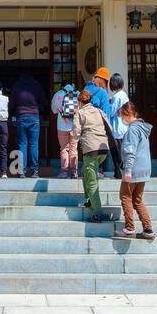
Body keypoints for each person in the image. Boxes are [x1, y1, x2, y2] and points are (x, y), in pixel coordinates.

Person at [116, 100, 155, 240]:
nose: (122, 120)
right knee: (137, 200)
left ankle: (129, 228)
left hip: (133, 170)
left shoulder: (132, 130)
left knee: (125, 196)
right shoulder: (143, 129)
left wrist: (127, 170)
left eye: (122, 117)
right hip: (144, 170)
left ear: (128, 114)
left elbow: (130, 151)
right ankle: (148, 229)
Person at [71, 88, 110, 223]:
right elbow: (108, 125)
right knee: (86, 172)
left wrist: (74, 145)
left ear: (80, 102)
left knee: (92, 181)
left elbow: (75, 132)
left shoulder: (80, 113)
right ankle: (89, 200)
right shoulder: (99, 111)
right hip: (104, 149)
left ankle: (97, 212)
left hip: (91, 149)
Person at [9, 71, 46, 178]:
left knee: (22, 144)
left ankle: (22, 171)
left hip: (21, 115)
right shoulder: (36, 84)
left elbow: (12, 103)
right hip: (34, 116)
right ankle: (35, 171)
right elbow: (43, 101)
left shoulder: (16, 85)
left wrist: (13, 113)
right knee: (34, 144)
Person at [50, 82, 79, 179]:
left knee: (64, 148)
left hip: (62, 126)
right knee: (73, 149)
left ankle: (64, 172)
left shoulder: (58, 95)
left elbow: (54, 110)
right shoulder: (77, 94)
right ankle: (74, 172)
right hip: (74, 126)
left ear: (63, 86)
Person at [107, 72, 129, 180]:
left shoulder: (116, 97)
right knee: (120, 150)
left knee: (116, 152)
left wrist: (109, 103)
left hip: (116, 127)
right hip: (124, 126)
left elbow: (111, 112)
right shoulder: (124, 95)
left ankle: (119, 172)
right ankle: (118, 173)